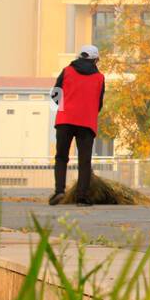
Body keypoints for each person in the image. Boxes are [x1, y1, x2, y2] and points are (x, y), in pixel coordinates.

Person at [50, 44, 106, 206]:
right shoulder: (99, 77)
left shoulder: (67, 71)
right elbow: (99, 103)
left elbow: (55, 93)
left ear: (80, 57)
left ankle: (59, 192)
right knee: (84, 161)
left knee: (61, 157)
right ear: (95, 60)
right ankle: (82, 197)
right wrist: (88, 112)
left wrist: (62, 109)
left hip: (64, 120)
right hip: (86, 123)